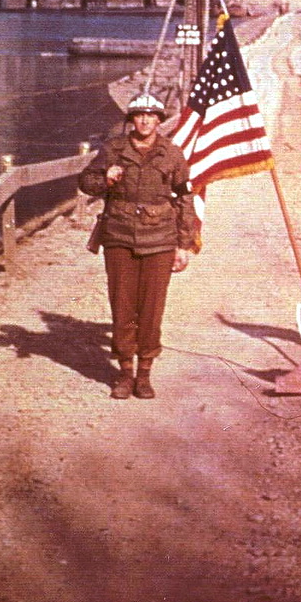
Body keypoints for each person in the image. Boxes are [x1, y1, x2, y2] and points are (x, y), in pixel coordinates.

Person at [79, 93, 196, 399]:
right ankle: (124, 374)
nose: (145, 121)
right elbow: (85, 182)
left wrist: (184, 244)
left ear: (159, 120)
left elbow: (184, 199)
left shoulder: (172, 153)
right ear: (131, 120)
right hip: (118, 236)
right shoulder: (114, 149)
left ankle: (144, 374)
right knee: (123, 306)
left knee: (151, 309)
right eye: (139, 115)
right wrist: (106, 178)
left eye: (151, 115)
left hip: (160, 240)